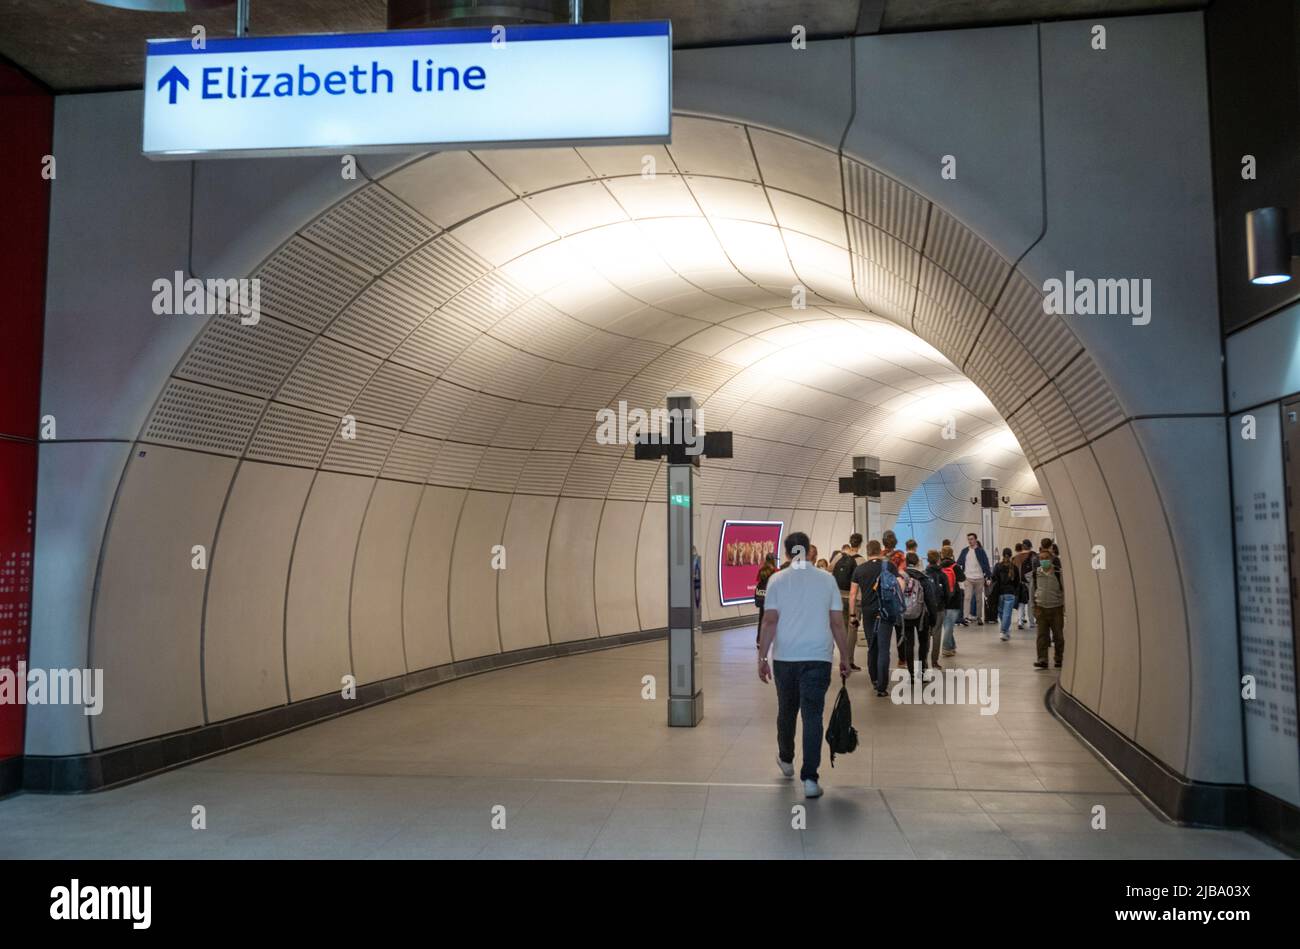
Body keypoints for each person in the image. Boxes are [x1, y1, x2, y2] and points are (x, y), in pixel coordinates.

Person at [757, 532, 854, 799]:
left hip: (786, 657)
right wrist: (845, 657)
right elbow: (837, 622)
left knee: (787, 711)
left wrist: (762, 657)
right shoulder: (827, 580)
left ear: (787, 553)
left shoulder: (777, 580)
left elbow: (769, 621)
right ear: (810, 551)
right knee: (812, 716)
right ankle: (810, 779)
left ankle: (786, 759)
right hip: (818, 657)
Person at [849, 540, 889, 694]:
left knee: (872, 645)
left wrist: (853, 615)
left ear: (867, 552)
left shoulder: (860, 569)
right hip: (885, 610)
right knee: (884, 647)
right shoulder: (888, 567)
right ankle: (882, 685)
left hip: (868, 611)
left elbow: (853, 595)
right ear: (880, 551)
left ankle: (874, 679)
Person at [902, 552, 939, 681]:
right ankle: (922, 673)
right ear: (918, 562)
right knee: (923, 644)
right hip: (922, 617)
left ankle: (911, 674)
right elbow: (931, 600)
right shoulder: (924, 578)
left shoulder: (901, 577)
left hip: (905, 616)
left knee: (909, 644)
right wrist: (933, 620)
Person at [830, 533, 864, 670]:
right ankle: (848, 660)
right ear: (860, 544)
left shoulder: (839, 556)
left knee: (842, 628)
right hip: (853, 599)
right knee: (852, 630)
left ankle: (840, 656)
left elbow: (829, 569)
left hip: (838, 597)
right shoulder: (861, 560)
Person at [1032, 543, 1066, 669]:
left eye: (1046, 558)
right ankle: (1042, 659)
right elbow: (1032, 592)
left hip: (1056, 608)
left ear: (1051, 559)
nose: (1043, 561)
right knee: (1042, 636)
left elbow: (1064, 591)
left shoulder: (1058, 573)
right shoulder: (1036, 574)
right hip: (1041, 608)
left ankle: (1059, 658)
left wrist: (1064, 608)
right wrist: (1033, 608)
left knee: (1058, 636)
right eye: (1041, 559)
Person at [957, 532, 991, 625]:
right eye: (968, 539)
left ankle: (979, 617)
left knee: (979, 599)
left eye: (971, 539)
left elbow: (986, 564)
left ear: (975, 540)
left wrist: (988, 577)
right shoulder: (965, 551)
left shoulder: (981, 551)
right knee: (967, 598)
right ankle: (966, 617)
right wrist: (959, 575)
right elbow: (958, 563)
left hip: (979, 578)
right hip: (968, 578)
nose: (970, 541)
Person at [924, 549, 950, 669]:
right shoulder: (942, 574)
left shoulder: (924, 574)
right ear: (938, 560)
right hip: (939, 608)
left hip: (926, 609)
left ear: (928, 560)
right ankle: (934, 661)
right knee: (937, 634)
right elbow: (947, 592)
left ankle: (924, 659)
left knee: (925, 634)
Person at [990, 547, 1021, 641]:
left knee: (1001, 613)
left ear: (1002, 555)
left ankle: (1004, 631)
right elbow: (1017, 581)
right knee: (1007, 614)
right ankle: (1004, 631)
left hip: (999, 593)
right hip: (1010, 593)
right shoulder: (1014, 567)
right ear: (1011, 555)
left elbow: (993, 578)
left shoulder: (998, 566)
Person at [938, 545, 964, 656]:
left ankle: (952, 646)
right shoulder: (955, 566)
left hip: (943, 598)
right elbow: (963, 578)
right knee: (949, 625)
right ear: (952, 553)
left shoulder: (938, 567)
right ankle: (945, 648)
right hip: (954, 598)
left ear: (942, 554)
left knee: (947, 624)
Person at [754, 553, 778, 647]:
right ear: (773, 560)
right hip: (772, 599)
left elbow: (758, 580)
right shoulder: (775, 571)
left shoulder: (761, 570)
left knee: (761, 620)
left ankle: (759, 640)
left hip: (762, 599)